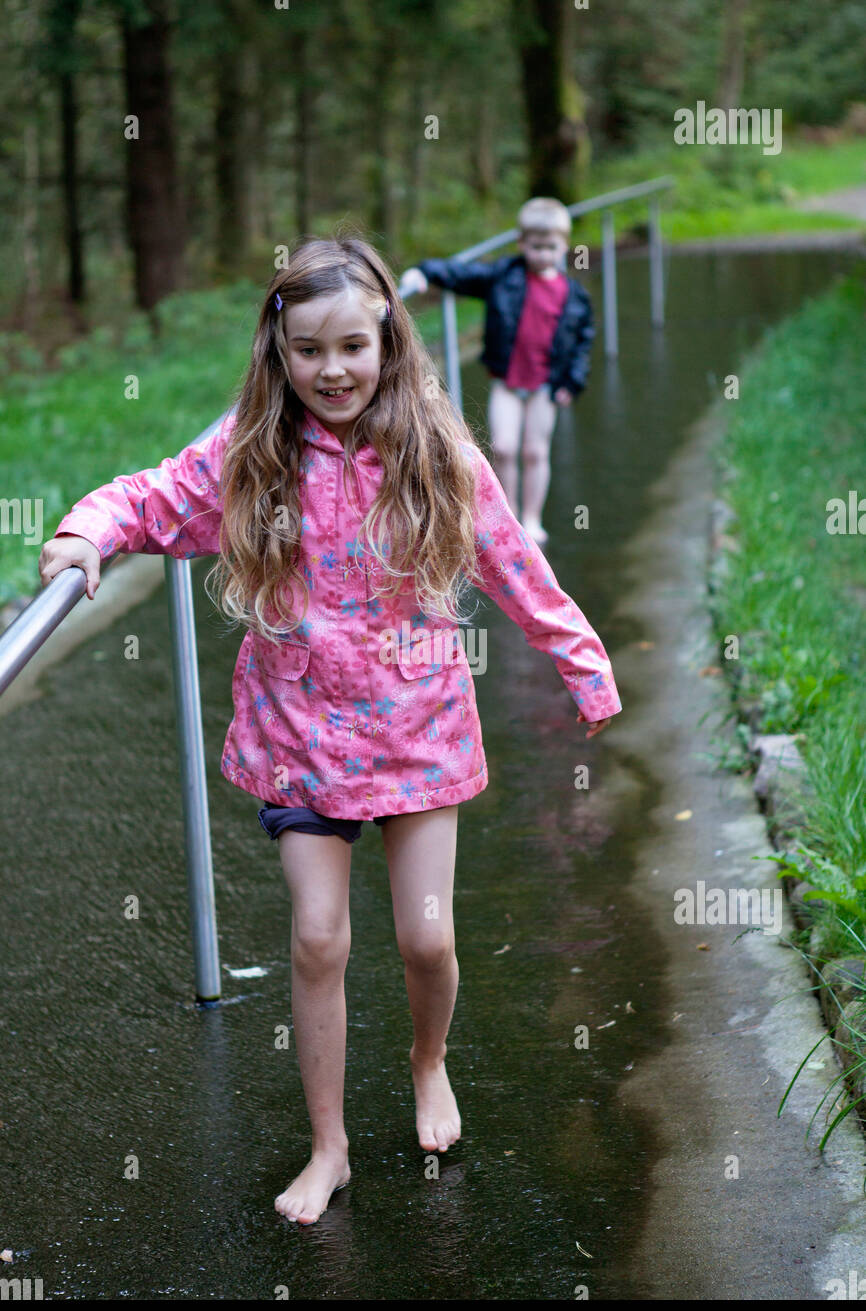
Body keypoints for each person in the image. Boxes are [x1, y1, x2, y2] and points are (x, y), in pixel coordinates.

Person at [39, 233, 621, 1227]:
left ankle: (427, 1060)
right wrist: (87, 528)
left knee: (425, 941)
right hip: (299, 734)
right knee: (316, 938)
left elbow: (513, 563)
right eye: (308, 351)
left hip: (418, 731)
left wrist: (582, 663)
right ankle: (329, 1145)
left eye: (352, 346)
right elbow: (150, 495)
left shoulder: (434, 451)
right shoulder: (251, 452)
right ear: (278, 352)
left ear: (388, 341)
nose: (332, 370)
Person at [399, 196, 593, 545]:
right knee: (502, 447)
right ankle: (511, 516)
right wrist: (425, 271)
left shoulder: (574, 296)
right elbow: (462, 275)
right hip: (507, 381)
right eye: (536, 247)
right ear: (522, 243)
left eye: (551, 247)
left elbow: (582, 343)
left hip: (544, 385)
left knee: (535, 451)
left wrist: (571, 382)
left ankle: (532, 518)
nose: (543, 254)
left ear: (564, 246)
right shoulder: (504, 276)